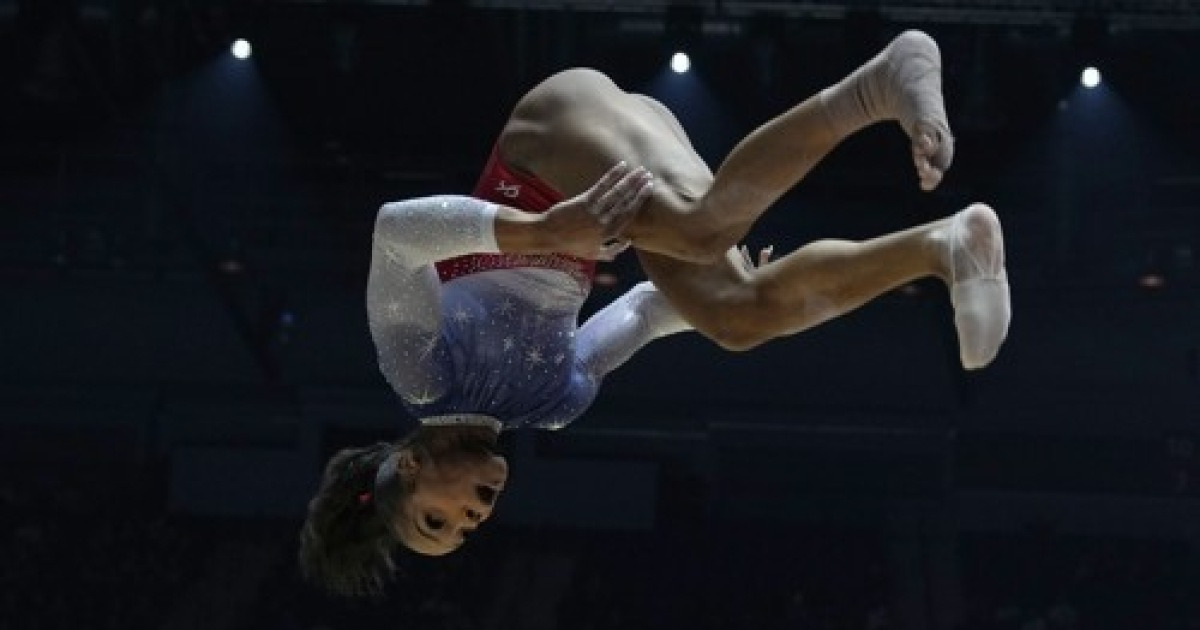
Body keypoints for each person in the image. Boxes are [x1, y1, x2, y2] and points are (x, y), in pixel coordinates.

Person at [299, 29, 1010, 597]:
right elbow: (644, 309)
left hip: (546, 140)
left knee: (705, 234)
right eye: (464, 532)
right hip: (608, 183)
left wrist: (544, 233)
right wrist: (727, 292)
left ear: (412, 463)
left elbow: (396, 233)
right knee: (738, 321)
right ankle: (947, 248)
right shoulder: (554, 402)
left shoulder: (422, 374)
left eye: (437, 519)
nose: (473, 518)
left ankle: (882, 82)